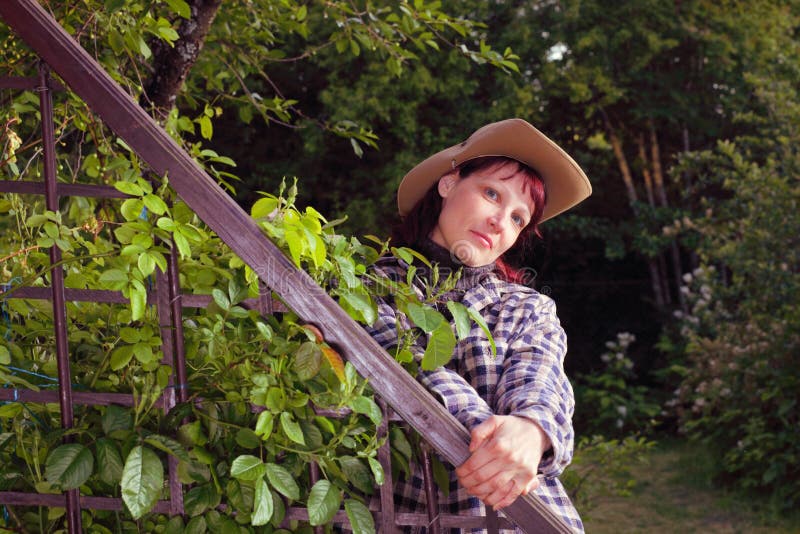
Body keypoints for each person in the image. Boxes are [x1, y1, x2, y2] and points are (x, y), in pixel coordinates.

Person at [364, 118, 591, 533]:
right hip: (398, 515)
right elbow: (404, 364)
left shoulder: (527, 308)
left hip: (518, 520)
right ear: (448, 183)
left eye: (519, 218)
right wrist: (491, 440)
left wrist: (533, 430)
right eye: (492, 194)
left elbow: (540, 380)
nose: (501, 221)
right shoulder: (368, 287)